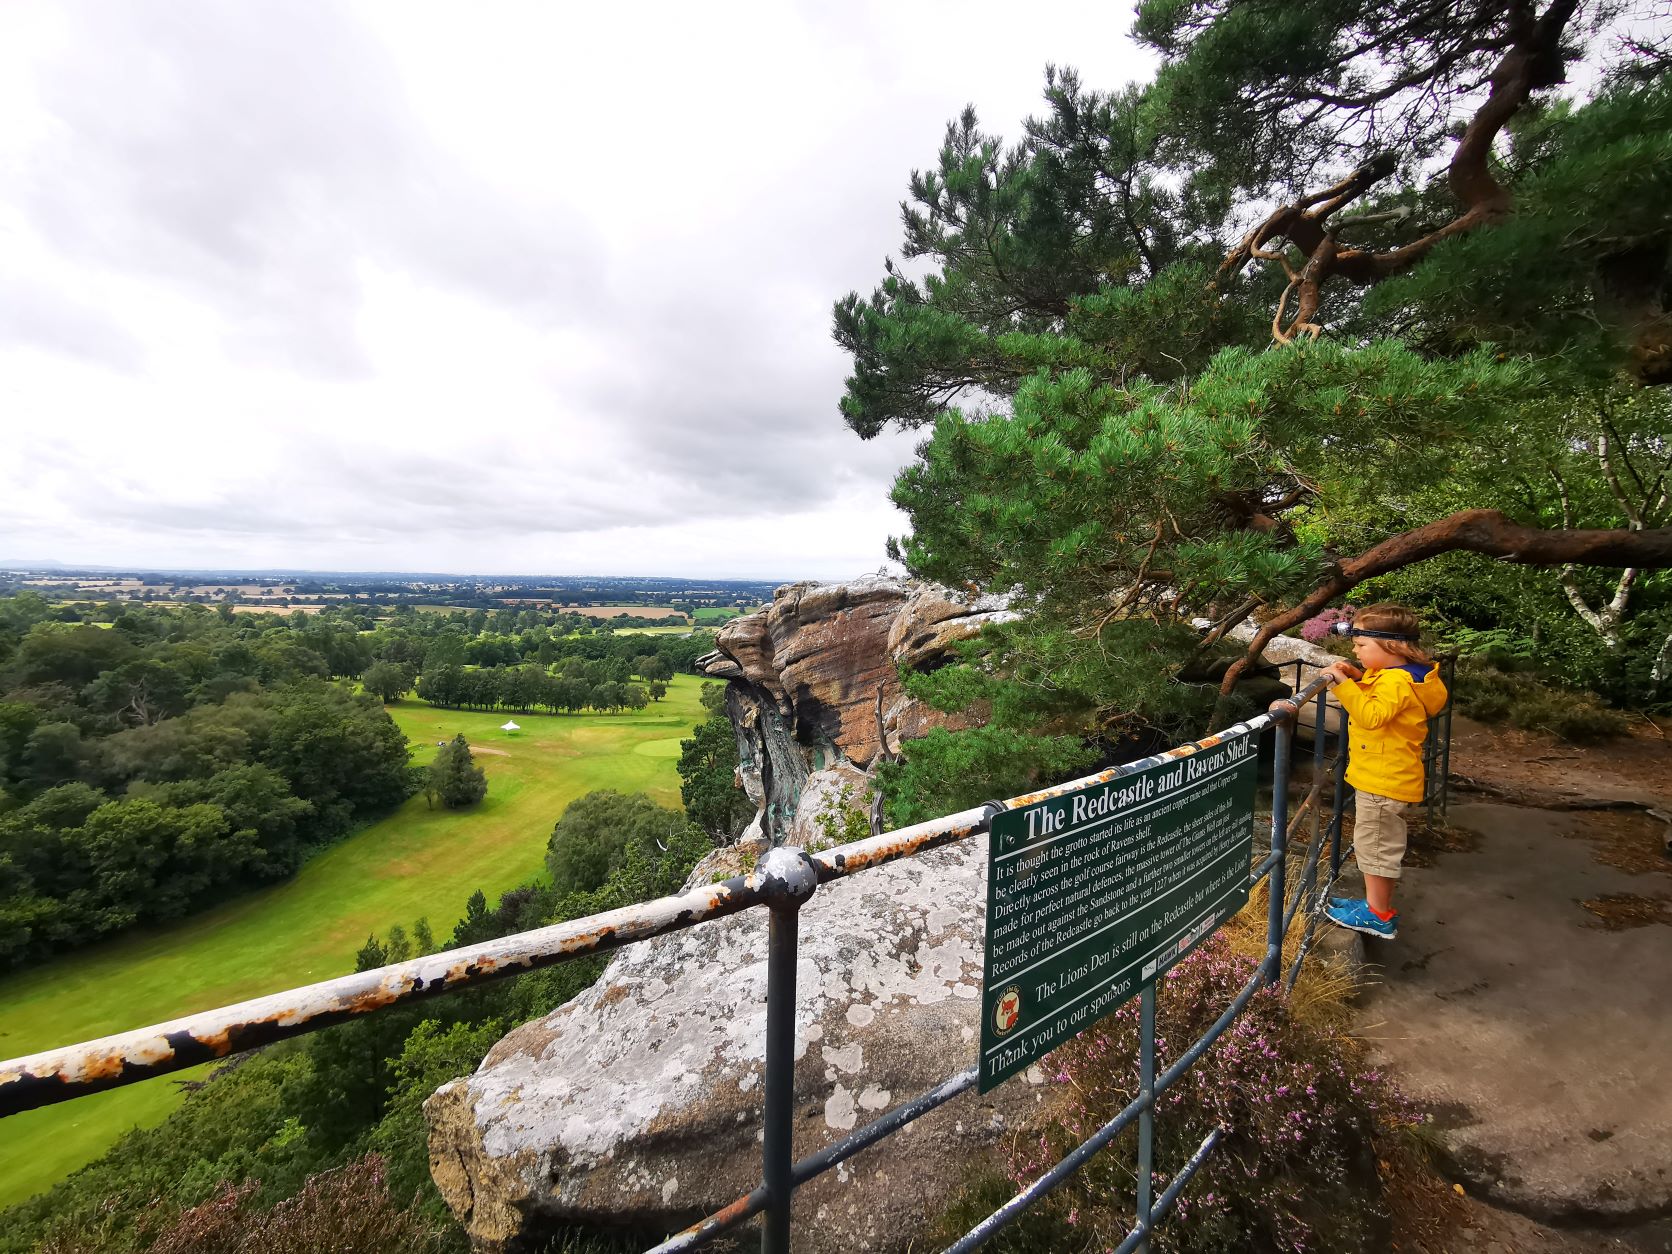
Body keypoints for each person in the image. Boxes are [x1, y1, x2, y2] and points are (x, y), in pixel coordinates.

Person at [1318, 604, 1449, 940]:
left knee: (1375, 848)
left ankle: (1378, 916)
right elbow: (1386, 701)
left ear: (1391, 647)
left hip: (1383, 780)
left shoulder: (1396, 682)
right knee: (1375, 845)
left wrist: (1339, 684)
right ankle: (1373, 905)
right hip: (1388, 776)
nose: (1354, 649)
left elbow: (1372, 716)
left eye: (1362, 645)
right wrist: (1360, 677)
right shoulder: (1404, 676)